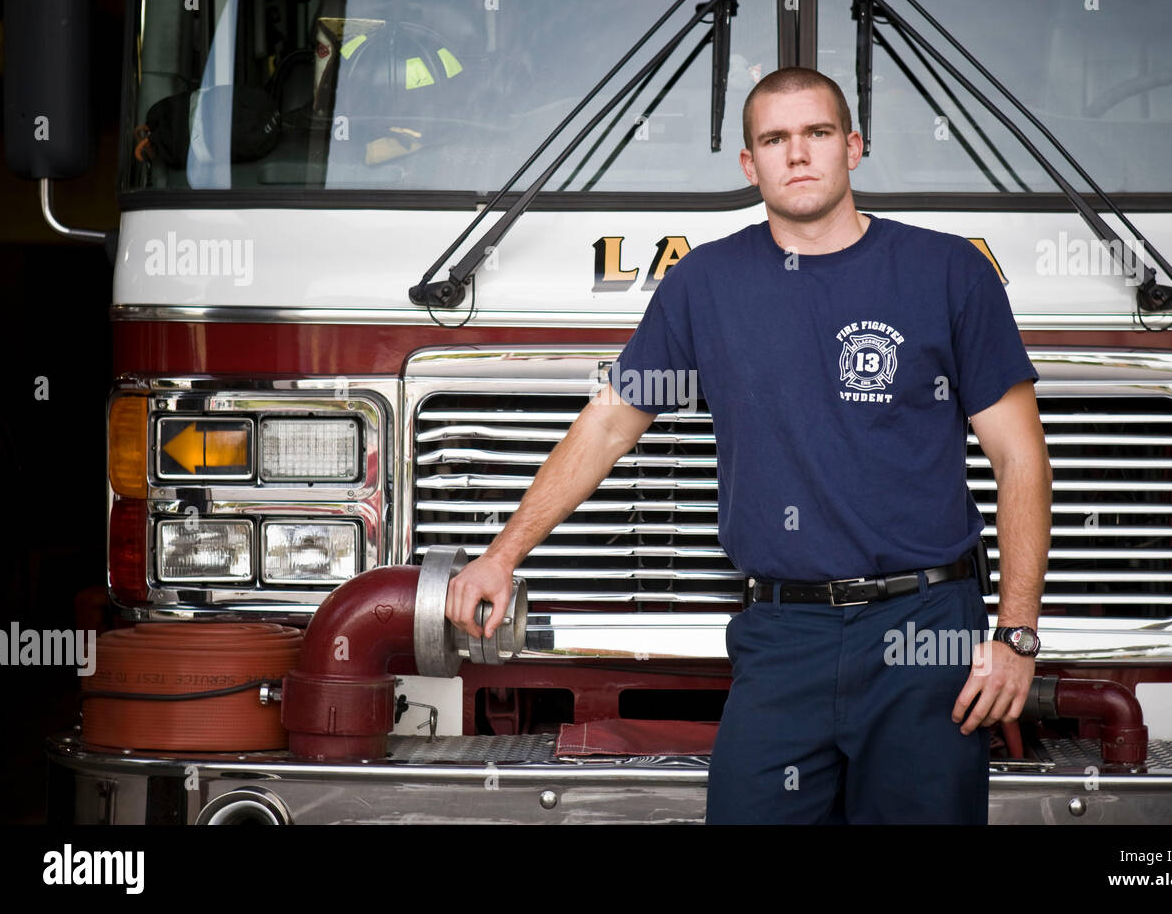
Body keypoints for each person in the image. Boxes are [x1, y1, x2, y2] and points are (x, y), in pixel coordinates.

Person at [444, 67, 1052, 824]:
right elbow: (609, 424)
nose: (798, 154)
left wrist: (1016, 634)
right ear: (749, 165)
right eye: (775, 139)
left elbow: (1020, 457)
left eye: (817, 134)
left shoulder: (949, 273)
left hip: (922, 634)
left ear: (854, 147)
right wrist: (503, 554)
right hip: (781, 636)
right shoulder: (706, 286)